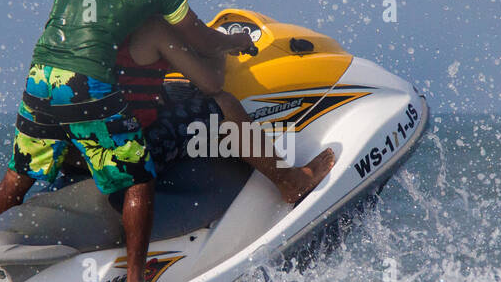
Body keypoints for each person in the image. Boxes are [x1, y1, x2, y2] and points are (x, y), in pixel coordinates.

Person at [0, 0, 252, 282]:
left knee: (18, 174)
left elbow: (91, 21)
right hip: (85, 81)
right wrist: (237, 43)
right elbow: (203, 39)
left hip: (42, 74)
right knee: (137, 177)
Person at [115, 19, 336, 201]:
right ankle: (290, 181)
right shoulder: (150, 22)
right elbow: (212, 82)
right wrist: (223, 48)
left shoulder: (102, 27)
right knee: (224, 105)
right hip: (132, 149)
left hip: (90, 142)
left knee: (170, 95)